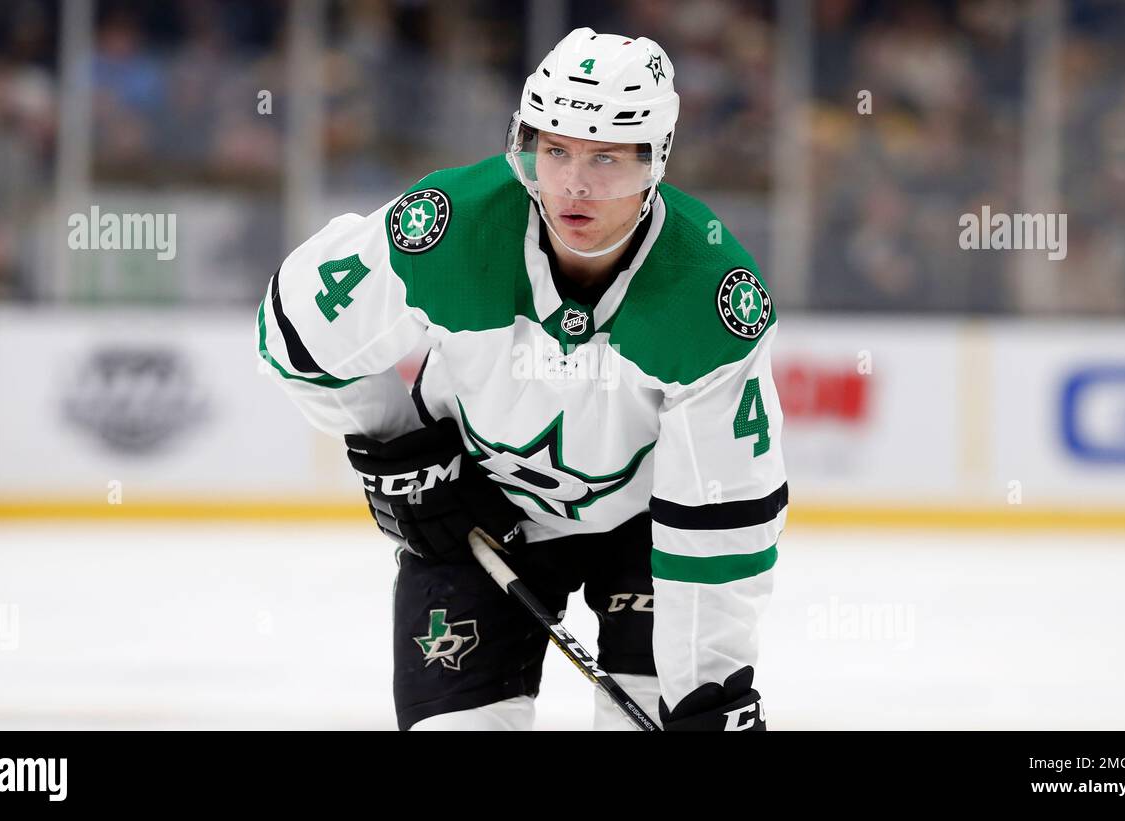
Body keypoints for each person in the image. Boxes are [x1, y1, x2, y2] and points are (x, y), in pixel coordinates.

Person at [257, 27, 787, 730]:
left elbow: (720, 513)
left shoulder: (711, 296)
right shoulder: (451, 229)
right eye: (554, 149)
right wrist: (399, 448)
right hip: (479, 510)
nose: (573, 183)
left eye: (605, 158)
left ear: (655, 160)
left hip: (646, 532)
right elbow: (294, 328)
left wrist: (710, 693)